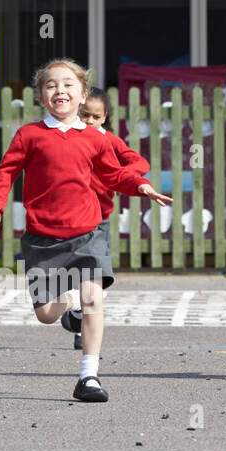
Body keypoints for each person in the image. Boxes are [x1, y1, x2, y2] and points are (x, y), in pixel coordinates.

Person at [0, 58, 170, 402]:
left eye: (68, 85)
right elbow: (4, 173)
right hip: (42, 238)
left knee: (94, 298)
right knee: (46, 315)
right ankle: (67, 301)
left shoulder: (95, 138)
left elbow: (113, 173)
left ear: (82, 95)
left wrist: (139, 185)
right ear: (41, 96)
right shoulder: (29, 135)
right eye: (51, 85)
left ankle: (89, 376)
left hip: (87, 233)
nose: (59, 90)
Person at [74, 87, 151, 350]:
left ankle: (82, 324)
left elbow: (139, 162)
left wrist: (118, 176)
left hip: (100, 218)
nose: (90, 122)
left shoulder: (110, 140)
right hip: (71, 215)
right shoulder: (70, 138)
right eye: (85, 115)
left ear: (105, 117)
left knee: (97, 273)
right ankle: (76, 310)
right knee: (75, 270)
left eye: (96, 117)